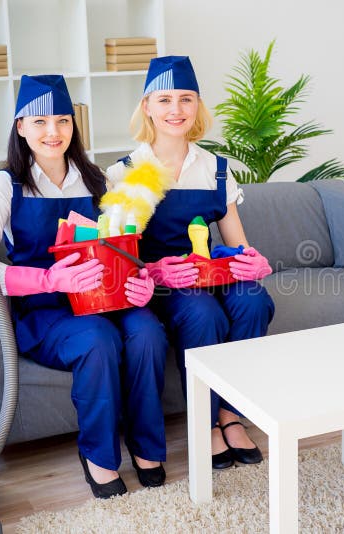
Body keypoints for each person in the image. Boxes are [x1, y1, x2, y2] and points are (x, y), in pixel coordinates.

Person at [0, 75, 168, 498]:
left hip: (102, 298)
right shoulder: (7, 186)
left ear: (74, 125)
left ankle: (146, 446)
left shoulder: (95, 181)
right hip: (45, 311)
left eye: (62, 121)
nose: (53, 132)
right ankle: (98, 456)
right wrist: (49, 279)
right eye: (39, 122)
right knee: (97, 340)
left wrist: (141, 279)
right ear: (20, 127)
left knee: (147, 331)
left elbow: (121, 249)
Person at [107, 56, 275, 470]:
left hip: (206, 272)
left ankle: (230, 415)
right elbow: (120, 261)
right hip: (158, 284)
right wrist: (156, 271)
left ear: (198, 107)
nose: (176, 110)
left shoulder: (216, 170)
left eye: (186, 99)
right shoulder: (125, 173)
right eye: (164, 99)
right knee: (201, 313)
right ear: (147, 107)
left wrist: (252, 262)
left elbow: (238, 245)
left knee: (253, 299)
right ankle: (206, 424)